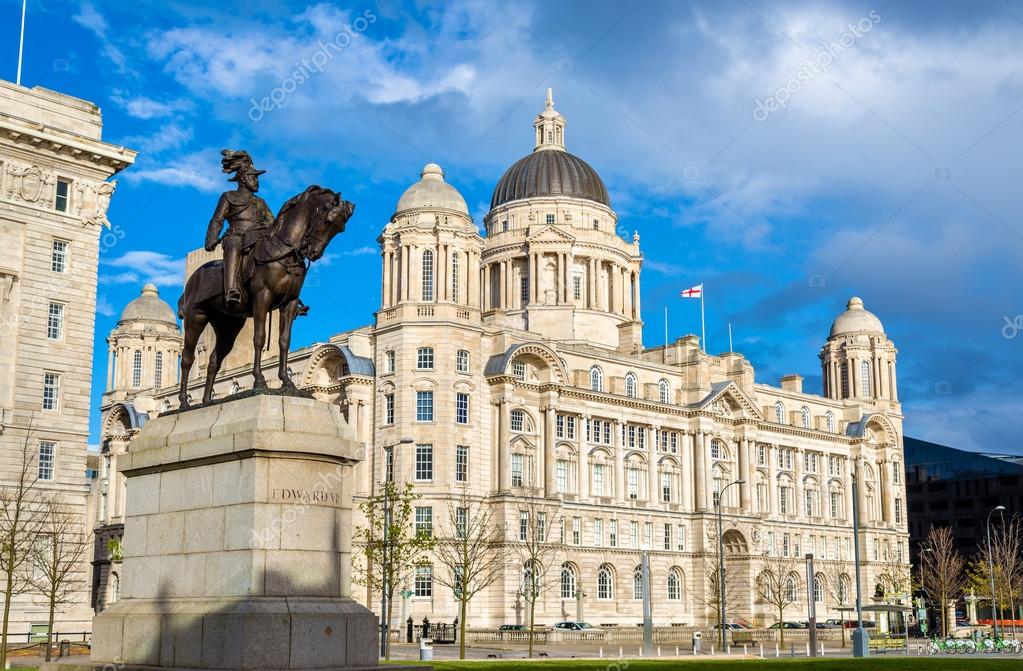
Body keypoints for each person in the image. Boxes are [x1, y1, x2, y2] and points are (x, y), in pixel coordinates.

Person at [204, 150, 274, 306]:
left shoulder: (261, 202)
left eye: (257, 177)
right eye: (253, 177)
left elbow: (273, 222)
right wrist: (211, 237)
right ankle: (231, 289)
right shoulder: (228, 196)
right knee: (233, 246)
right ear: (243, 178)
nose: (257, 181)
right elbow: (217, 220)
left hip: (260, 237)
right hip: (237, 235)